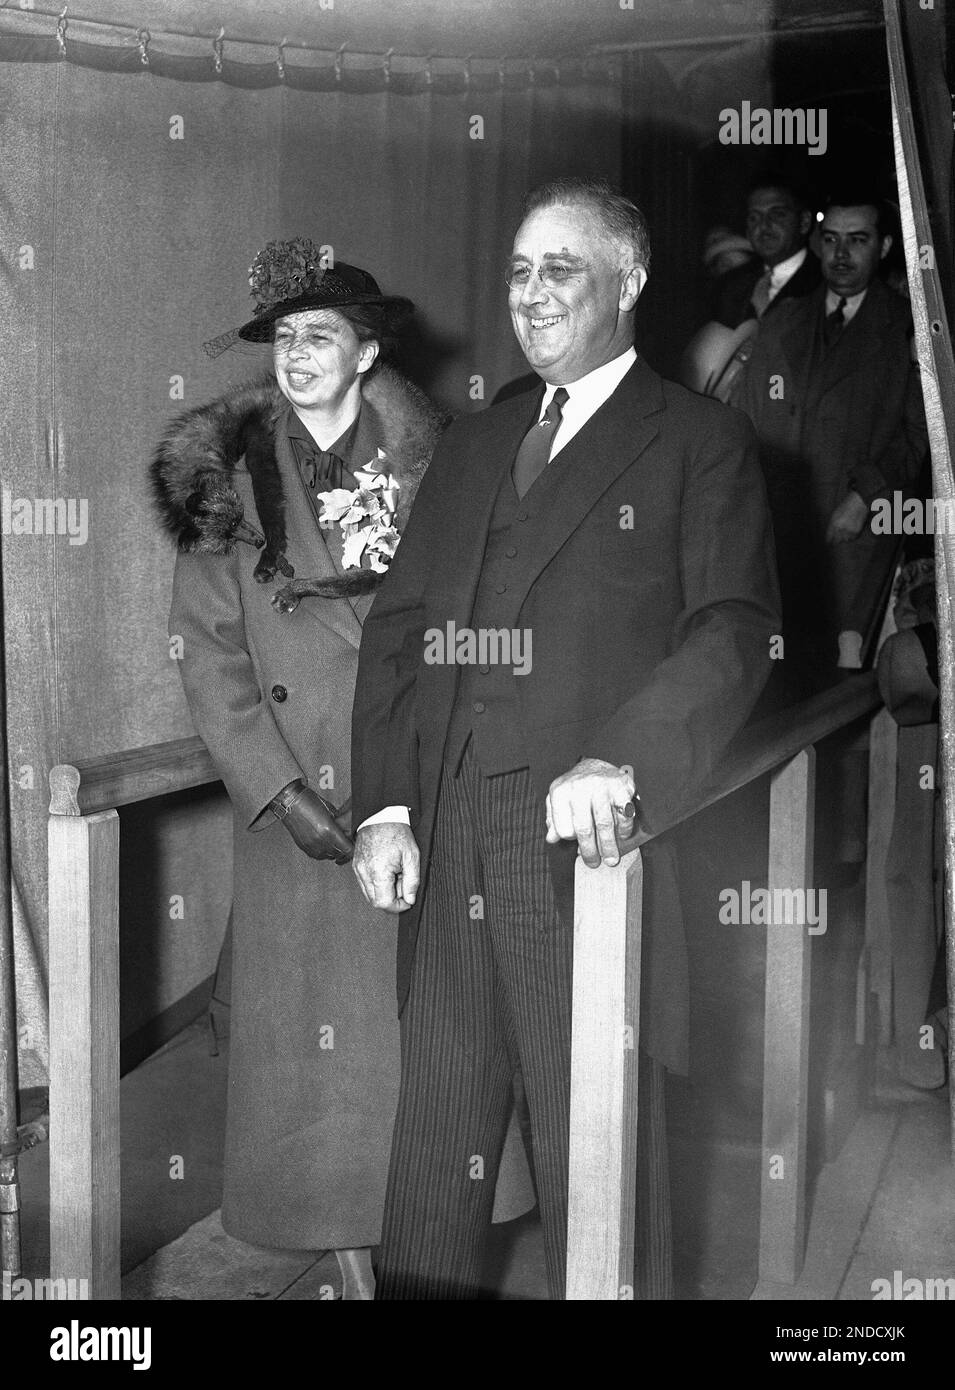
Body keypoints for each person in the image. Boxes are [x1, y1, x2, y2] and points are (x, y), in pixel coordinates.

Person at [350, 177, 781, 1300]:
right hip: (445, 833)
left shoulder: (700, 441)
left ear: (630, 284)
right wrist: (387, 805)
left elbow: (733, 630)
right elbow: (398, 633)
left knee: (598, 1153)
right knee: (434, 1149)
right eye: (518, 271)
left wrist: (624, 757)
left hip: (581, 849)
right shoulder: (474, 440)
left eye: (562, 270)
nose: (530, 296)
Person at [151, 242, 530, 1299]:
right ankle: (343, 1247)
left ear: (366, 351)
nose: (296, 355)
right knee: (316, 1061)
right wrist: (282, 796)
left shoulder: (440, 464)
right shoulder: (221, 483)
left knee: (425, 1044)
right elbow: (208, 655)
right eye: (281, 338)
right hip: (298, 810)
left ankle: (424, 1250)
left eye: (319, 335)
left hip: (417, 780)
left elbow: (474, 621)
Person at [736, 193, 927, 691]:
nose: (842, 255)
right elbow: (743, 419)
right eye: (832, 240)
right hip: (779, 530)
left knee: (838, 683)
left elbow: (917, 436)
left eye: (858, 241)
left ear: (884, 246)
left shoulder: (907, 325)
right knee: (774, 679)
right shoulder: (784, 320)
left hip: (855, 530)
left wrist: (865, 496)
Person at [679, 175, 821, 399]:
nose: (763, 226)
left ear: (804, 222)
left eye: (777, 215)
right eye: (754, 218)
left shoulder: (825, 285)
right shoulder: (731, 284)